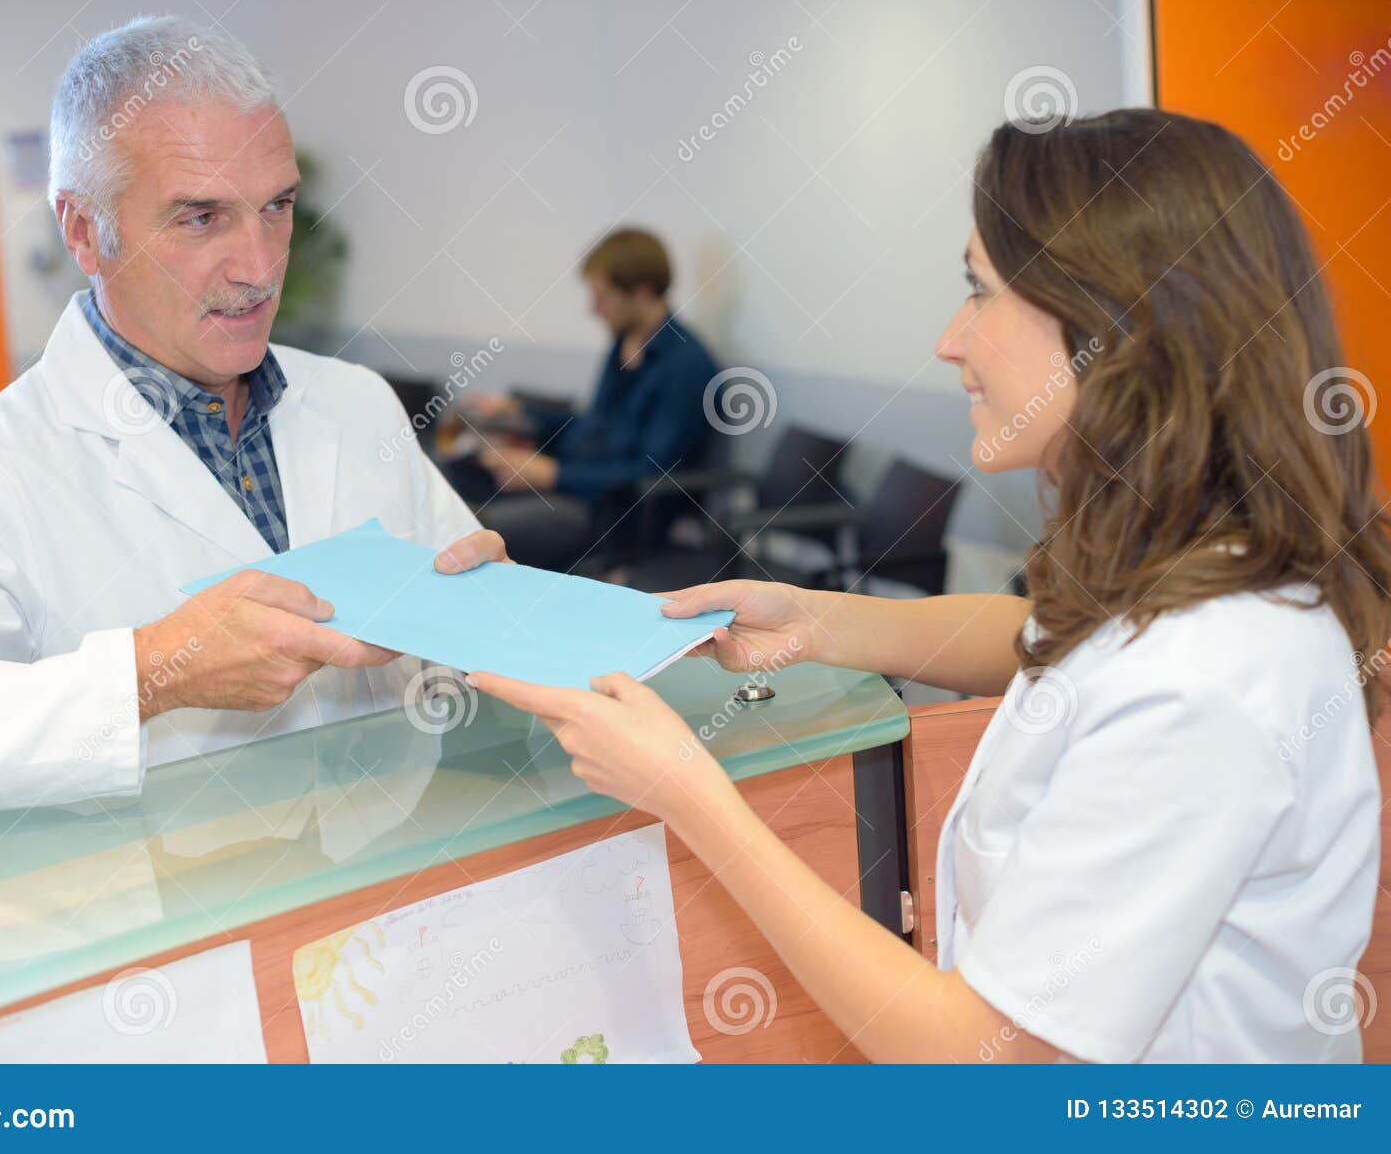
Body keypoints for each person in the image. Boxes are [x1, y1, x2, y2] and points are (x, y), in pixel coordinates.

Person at [470, 108, 1391, 1062]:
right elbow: (1053, 636)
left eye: (980, 293)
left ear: (1115, 326)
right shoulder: (1199, 577)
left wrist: (688, 793)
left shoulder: (1208, 674)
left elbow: (978, 1062)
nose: (951, 341)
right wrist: (815, 621)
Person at [0, 16, 504, 854]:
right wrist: (146, 675)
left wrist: (505, 617)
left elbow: (472, 641)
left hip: (384, 903)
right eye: (201, 219)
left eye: (275, 207)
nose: (259, 266)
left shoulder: (356, 403)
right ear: (85, 230)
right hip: (177, 961)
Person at [442, 229, 718, 571]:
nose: (593, 310)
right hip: (575, 484)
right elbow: (593, 425)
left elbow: (649, 476)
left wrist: (552, 475)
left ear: (642, 292)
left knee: (477, 528)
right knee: (453, 474)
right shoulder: (623, 347)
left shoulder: (686, 367)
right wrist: (517, 412)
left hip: (614, 515)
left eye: (603, 297)